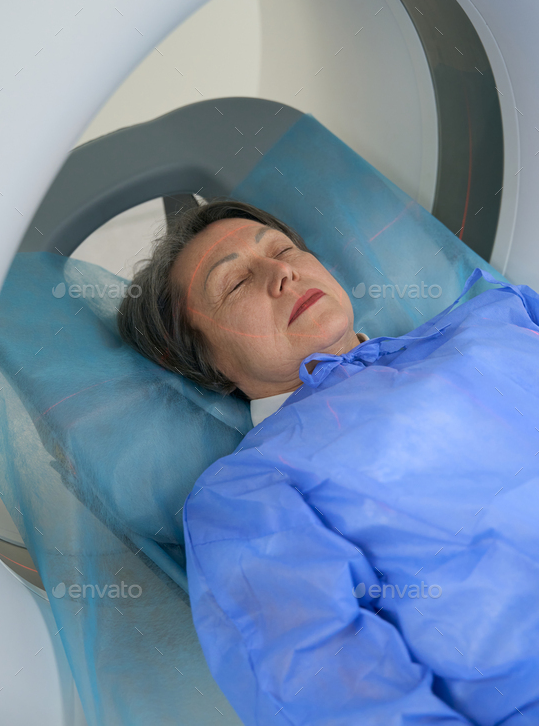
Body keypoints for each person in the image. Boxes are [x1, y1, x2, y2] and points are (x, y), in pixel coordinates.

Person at [118, 198, 539, 726]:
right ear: (206, 363)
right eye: (235, 284)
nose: (281, 272)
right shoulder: (246, 493)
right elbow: (323, 680)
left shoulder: (498, 312)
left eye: (284, 249)